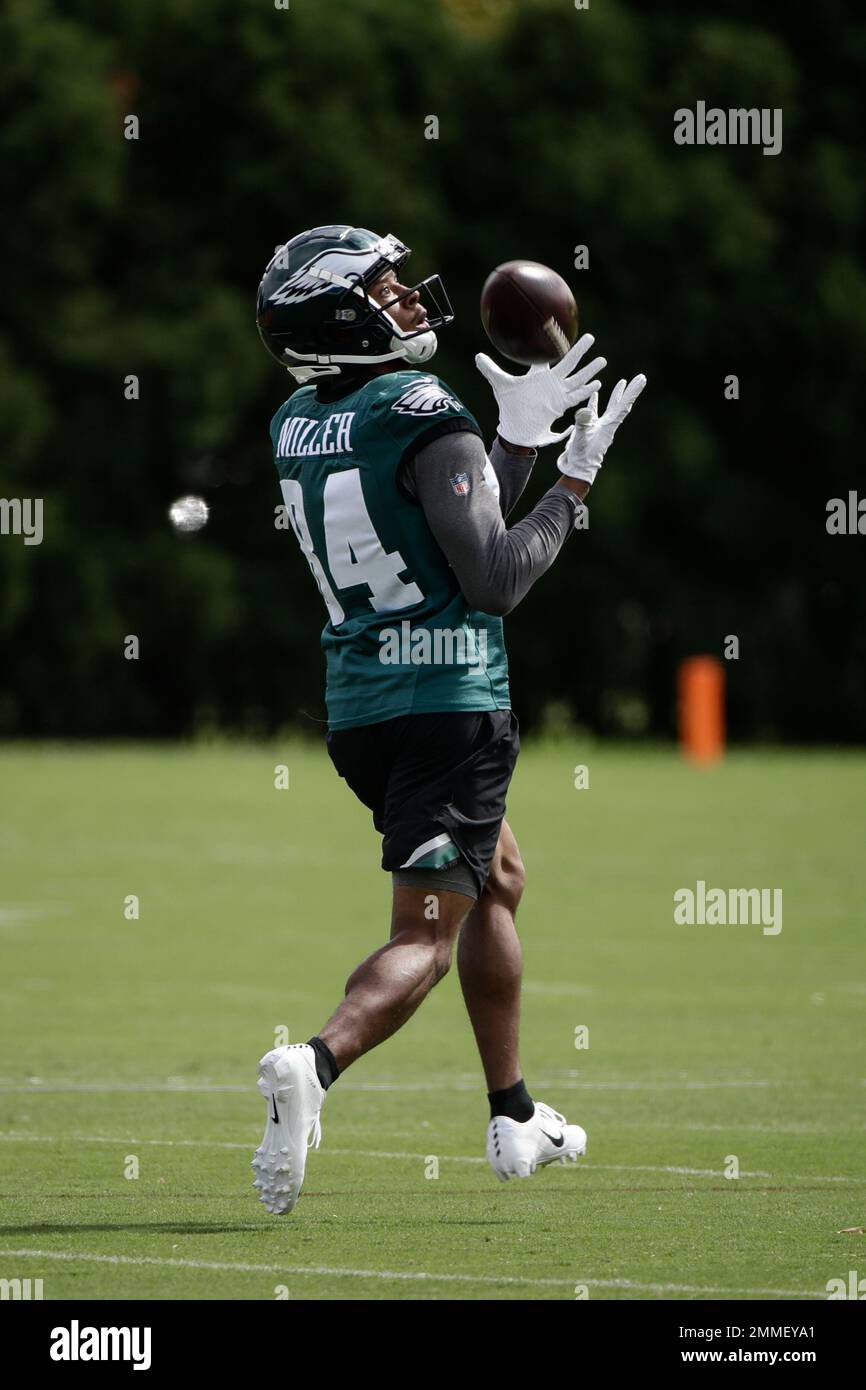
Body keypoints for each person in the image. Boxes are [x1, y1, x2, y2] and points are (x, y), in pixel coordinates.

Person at [252, 225, 646, 1215]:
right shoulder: (425, 410)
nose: (412, 295)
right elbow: (494, 577)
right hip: (449, 704)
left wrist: (506, 441)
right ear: (340, 313)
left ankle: (513, 1114)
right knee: (426, 932)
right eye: (383, 287)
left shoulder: (298, 420)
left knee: (497, 875)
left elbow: (441, 534)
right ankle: (316, 1062)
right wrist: (571, 478)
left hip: (363, 712)